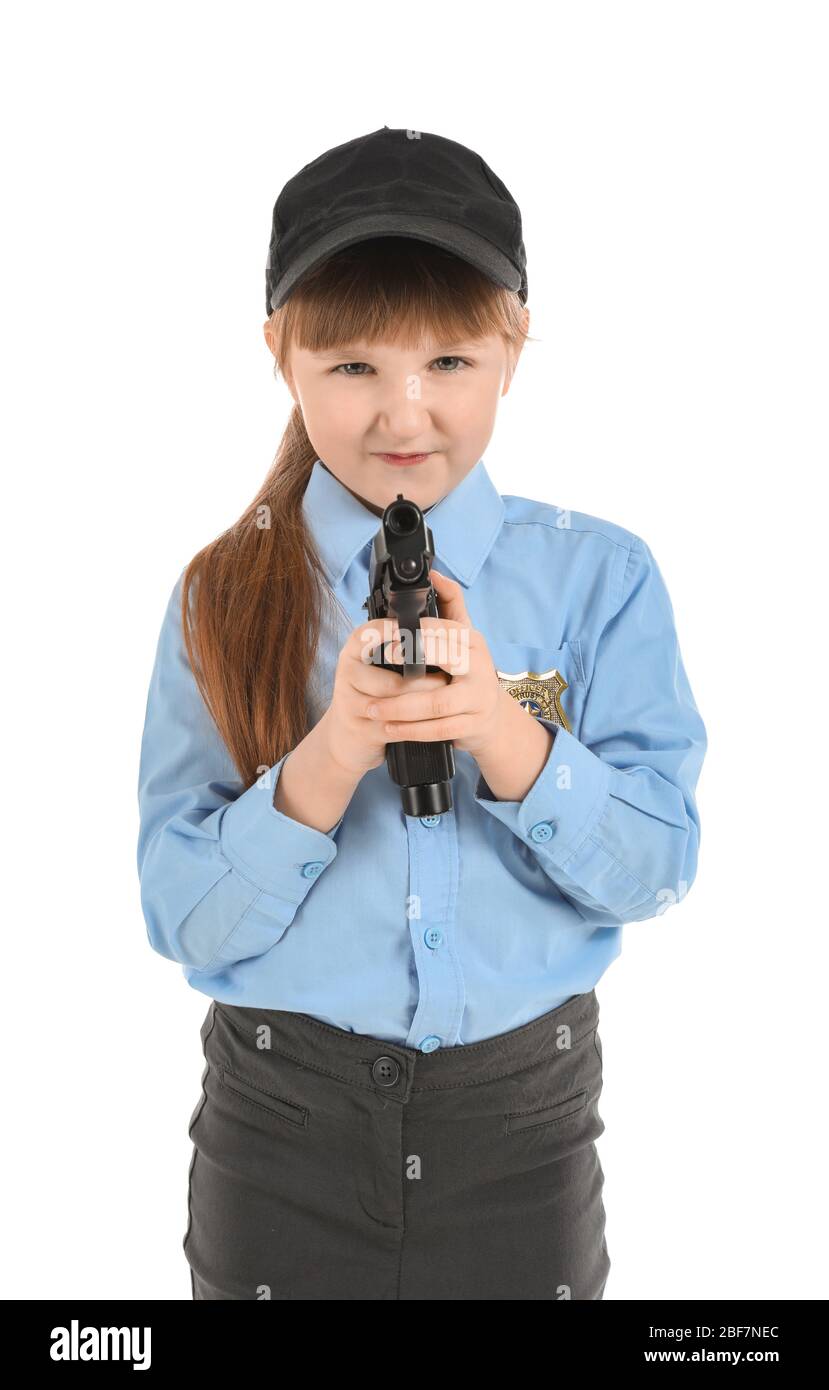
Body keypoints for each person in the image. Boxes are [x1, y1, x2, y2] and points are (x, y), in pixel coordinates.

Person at [136, 126, 707, 1300]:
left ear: (512, 350)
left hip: (521, 1137)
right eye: (351, 366)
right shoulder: (221, 597)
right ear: (279, 358)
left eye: (449, 361)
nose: (405, 414)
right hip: (278, 1138)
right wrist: (332, 753)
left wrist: (503, 732)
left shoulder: (602, 580)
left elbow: (656, 869)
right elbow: (184, 921)